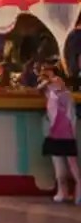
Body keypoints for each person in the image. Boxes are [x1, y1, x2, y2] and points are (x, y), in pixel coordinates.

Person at [39, 65, 80, 204]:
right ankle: (64, 192)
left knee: (70, 164)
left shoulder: (63, 95)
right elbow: (40, 88)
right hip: (58, 133)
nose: (53, 80)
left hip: (64, 133)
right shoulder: (53, 93)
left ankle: (75, 190)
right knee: (61, 165)